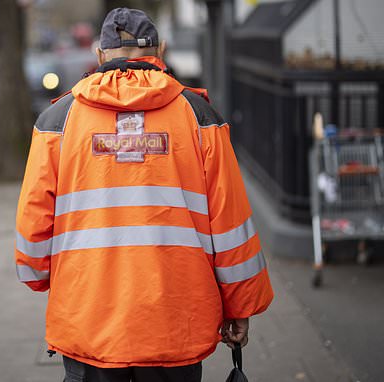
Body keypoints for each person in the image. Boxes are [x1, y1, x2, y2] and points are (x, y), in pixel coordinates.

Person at [14, 8, 273, 382]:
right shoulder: (201, 117)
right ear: (161, 50)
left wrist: (38, 276)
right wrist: (239, 306)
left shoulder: (58, 122)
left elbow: (33, 227)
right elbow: (230, 224)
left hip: (88, 321)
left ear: (101, 54)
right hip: (175, 322)